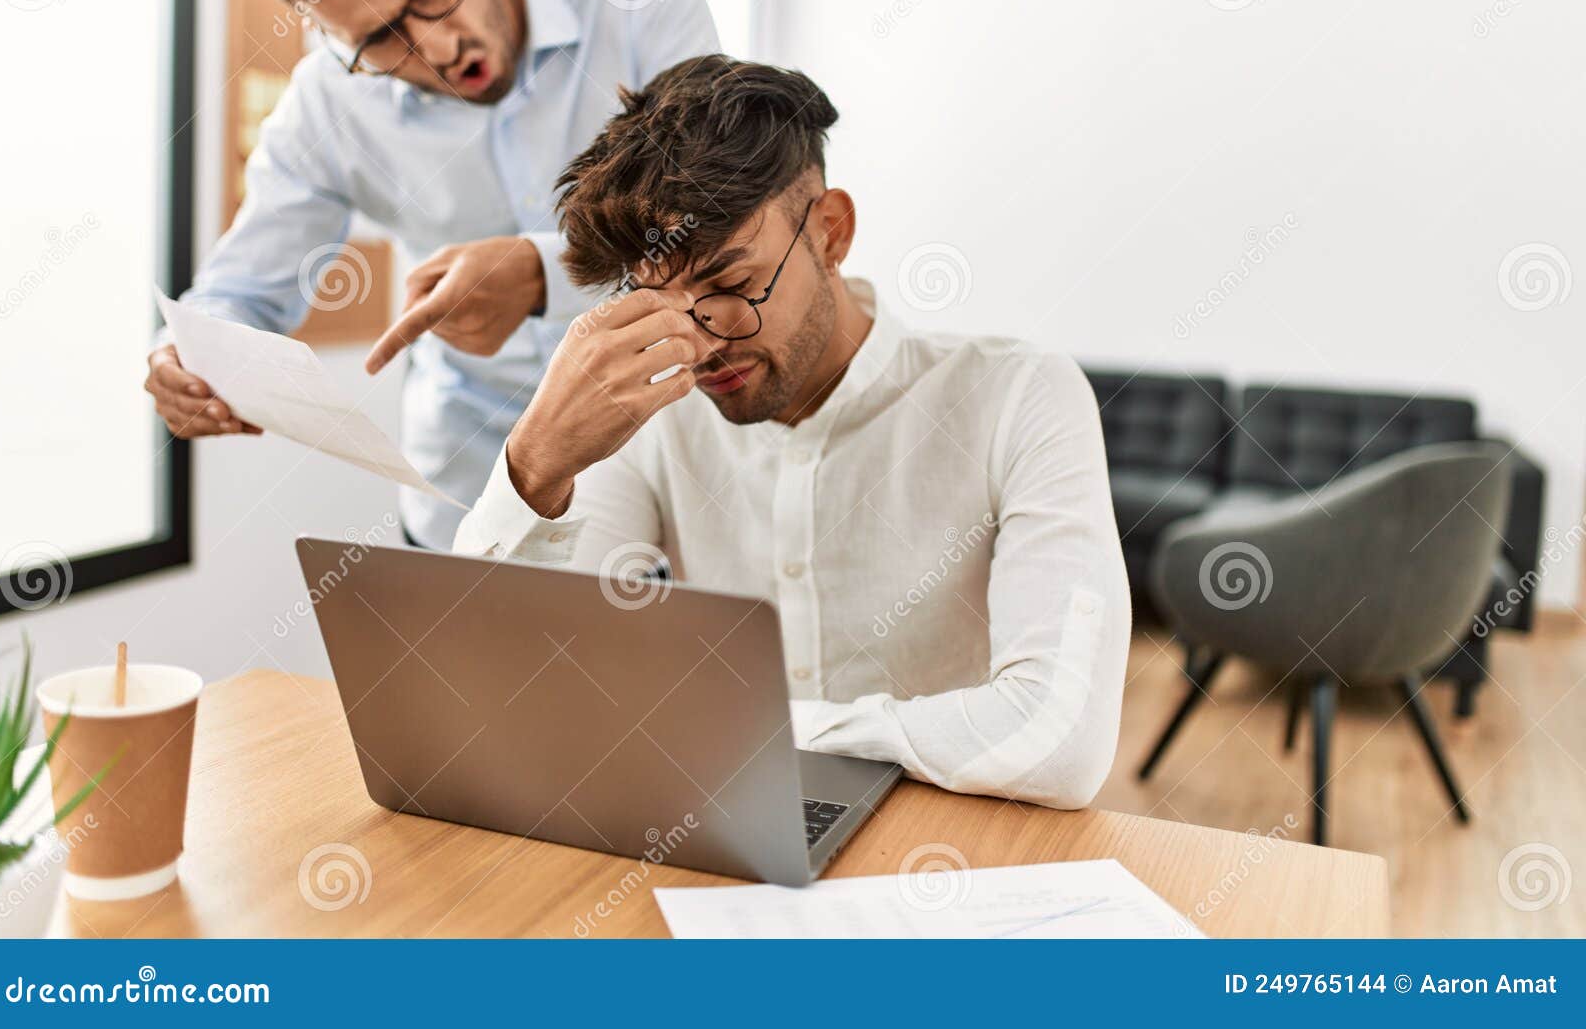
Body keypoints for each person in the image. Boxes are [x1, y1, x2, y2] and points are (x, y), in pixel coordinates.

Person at [452, 56, 1131, 808]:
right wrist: (535, 458)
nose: (700, 344)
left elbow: (1059, 738)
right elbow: (507, 693)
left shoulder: (1019, 397)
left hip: (958, 855)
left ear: (831, 233)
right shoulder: (657, 412)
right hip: (727, 844)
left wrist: (753, 728)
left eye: (734, 287)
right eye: (660, 305)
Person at [143, 0, 718, 548]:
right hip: (468, 495)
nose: (442, 48)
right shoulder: (327, 107)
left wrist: (541, 273)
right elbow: (238, 293)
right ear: (326, 32)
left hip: (671, 468)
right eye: (382, 38)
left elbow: (715, 214)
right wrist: (187, 354)